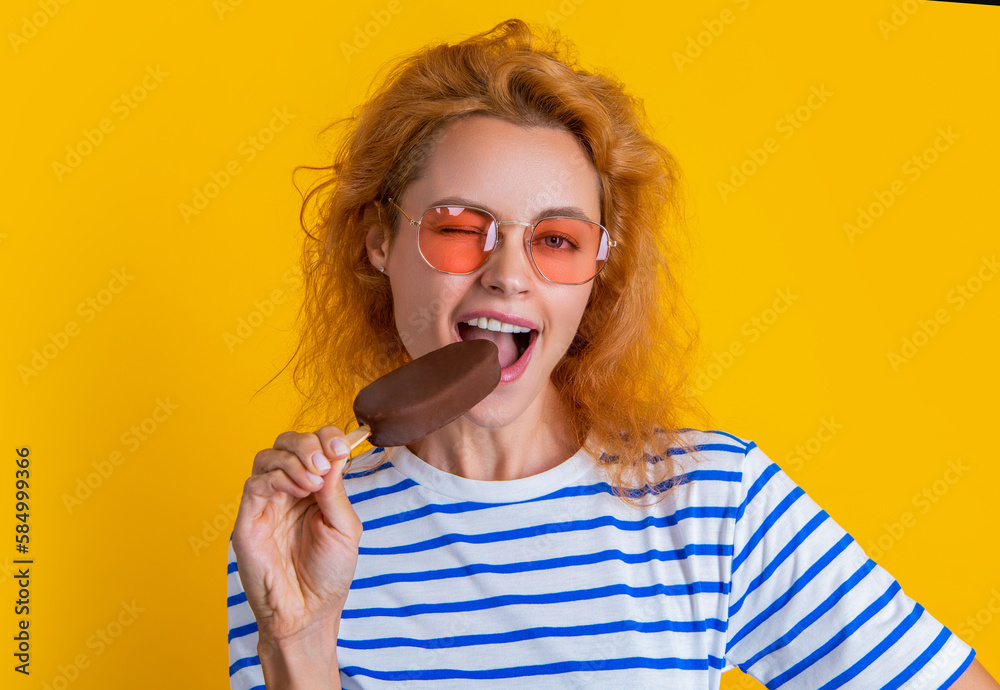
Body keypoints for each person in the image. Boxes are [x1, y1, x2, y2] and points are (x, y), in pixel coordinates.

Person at [227, 18, 997, 689]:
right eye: (460, 227)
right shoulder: (301, 536)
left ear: (598, 275)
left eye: (558, 241)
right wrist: (297, 642)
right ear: (379, 242)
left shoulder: (713, 506)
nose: (509, 274)